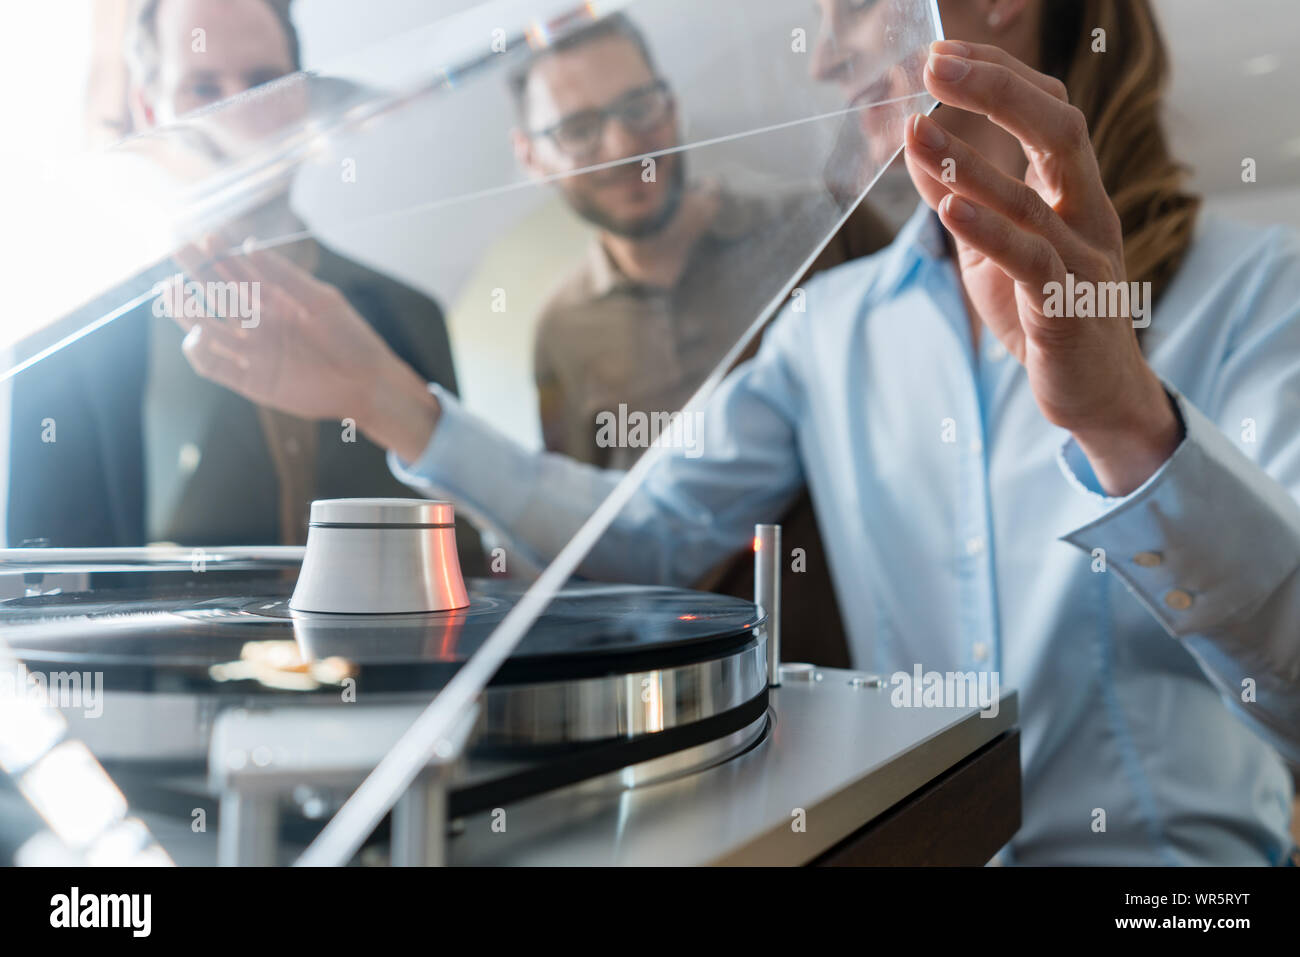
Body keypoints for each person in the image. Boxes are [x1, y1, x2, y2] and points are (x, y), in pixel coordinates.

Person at [172, 0, 1300, 865]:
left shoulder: (1261, 292)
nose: (817, 59)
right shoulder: (825, 327)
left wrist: (1125, 423)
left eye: (853, 7)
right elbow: (638, 543)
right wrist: (385, 397)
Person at [6, 0, 475, 559]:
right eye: (203, 87)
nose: (240, 112)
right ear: (148, 112)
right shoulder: (71, 327)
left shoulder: (409, 313)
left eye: (265, 81)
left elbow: (462, 562)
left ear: (302, 96)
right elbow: (43, 589)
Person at [510, 13, 895, 470]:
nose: (621, 147)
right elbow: (587, 513)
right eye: (578, 130)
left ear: (671, 107)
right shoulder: (560, 333)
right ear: (531, 158)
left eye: (638, 107)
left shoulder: (828, 226)